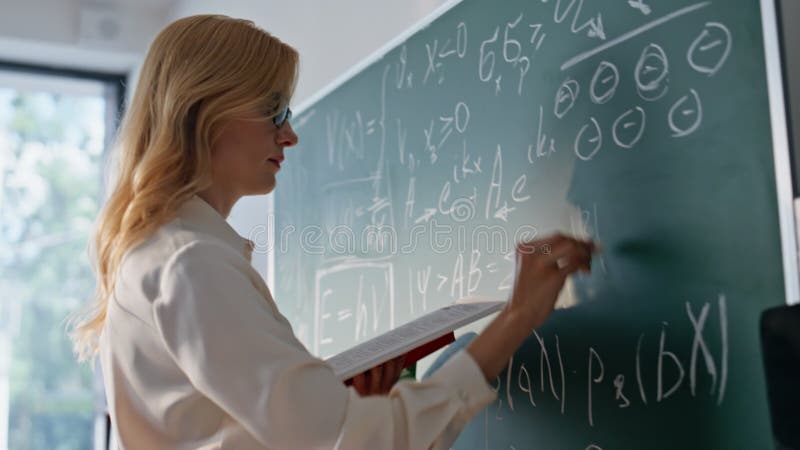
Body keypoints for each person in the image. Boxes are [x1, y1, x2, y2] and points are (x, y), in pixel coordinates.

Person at [69, 14, 595, 450]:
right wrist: (517, 318)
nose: (290, 135)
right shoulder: (189, 263)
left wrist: (350, 408)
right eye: (274, 111)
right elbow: (346, 442)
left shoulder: (164, 256)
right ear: (208, 110)